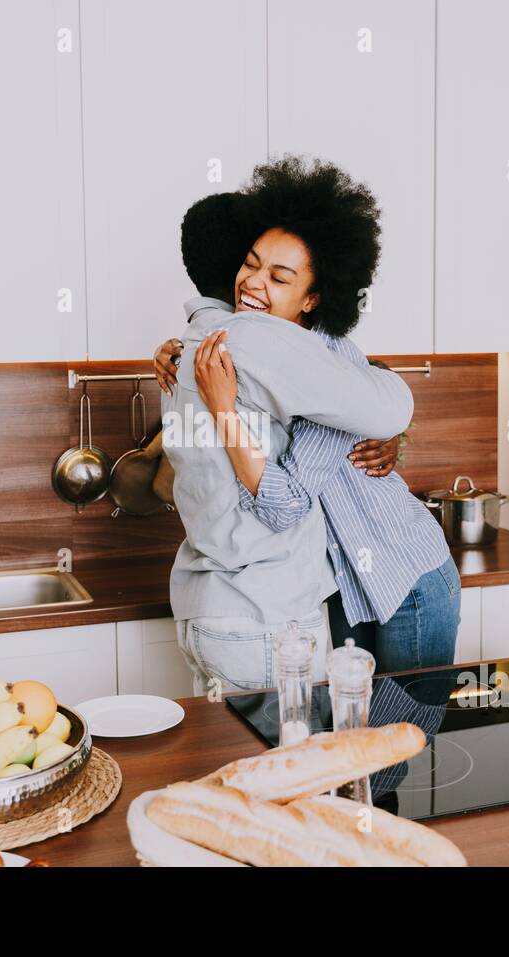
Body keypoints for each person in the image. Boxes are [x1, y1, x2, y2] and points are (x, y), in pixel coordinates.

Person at [156, 157, 459, 677]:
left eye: (279, 276)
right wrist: (180, 356)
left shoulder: (315, 358)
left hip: (401, 573)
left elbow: (287, 500)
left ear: (313, 296)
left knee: (395, 747)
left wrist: (393, 436)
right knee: (350, 747)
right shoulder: (249, 346)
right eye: (250, 264)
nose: (253, 283)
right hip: (338, 578)